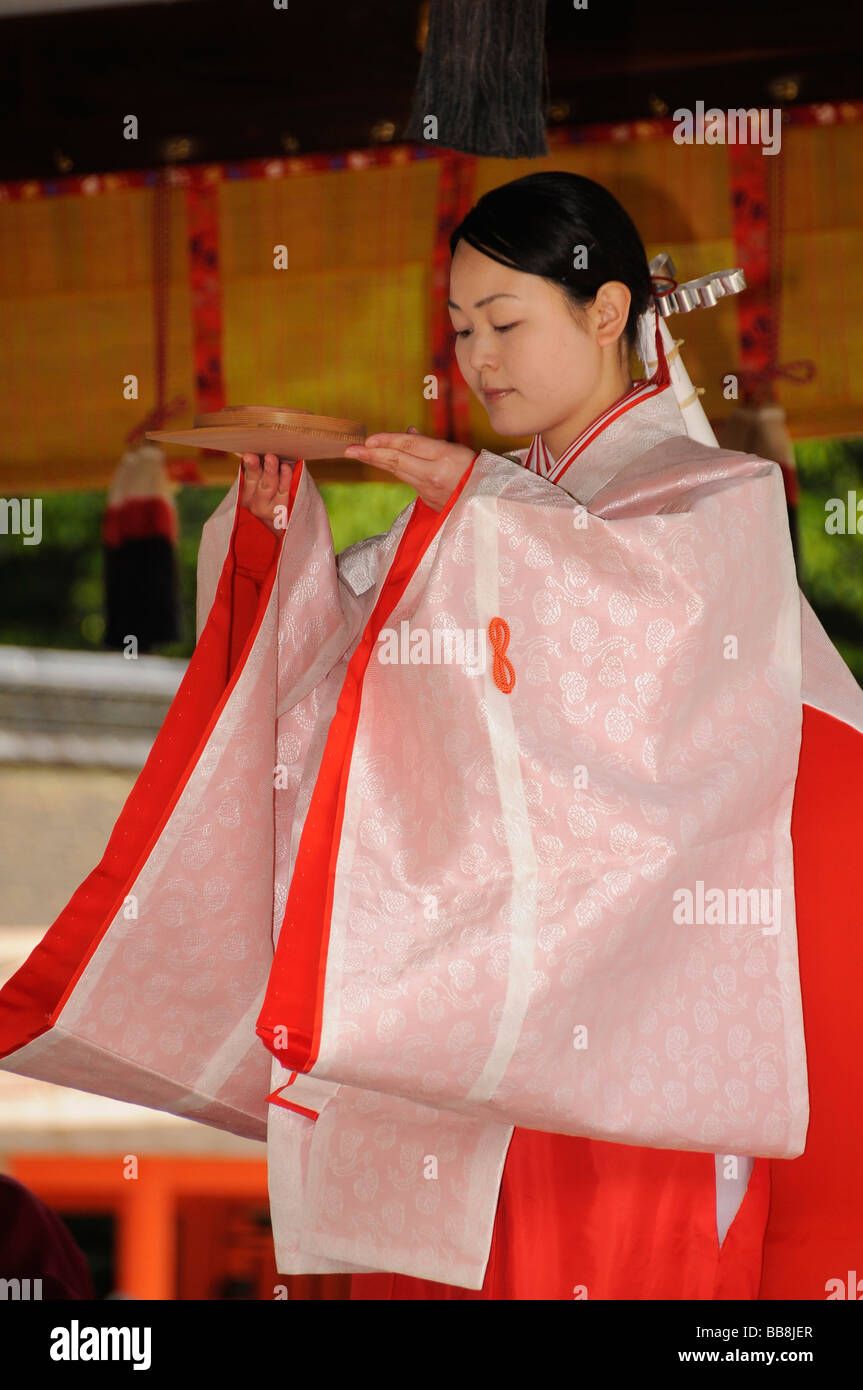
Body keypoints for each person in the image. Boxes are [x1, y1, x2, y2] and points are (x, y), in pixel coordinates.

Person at [1, 173, 860, 1301]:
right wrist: (282, 542)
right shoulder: (483, 507)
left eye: (506, 322)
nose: (477, 358)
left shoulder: (711, 496)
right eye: (460, 329)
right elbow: (357, 666)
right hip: (490, 1024)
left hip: (635, 1008)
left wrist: (480, 511)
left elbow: (659, 648)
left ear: (606, 312)